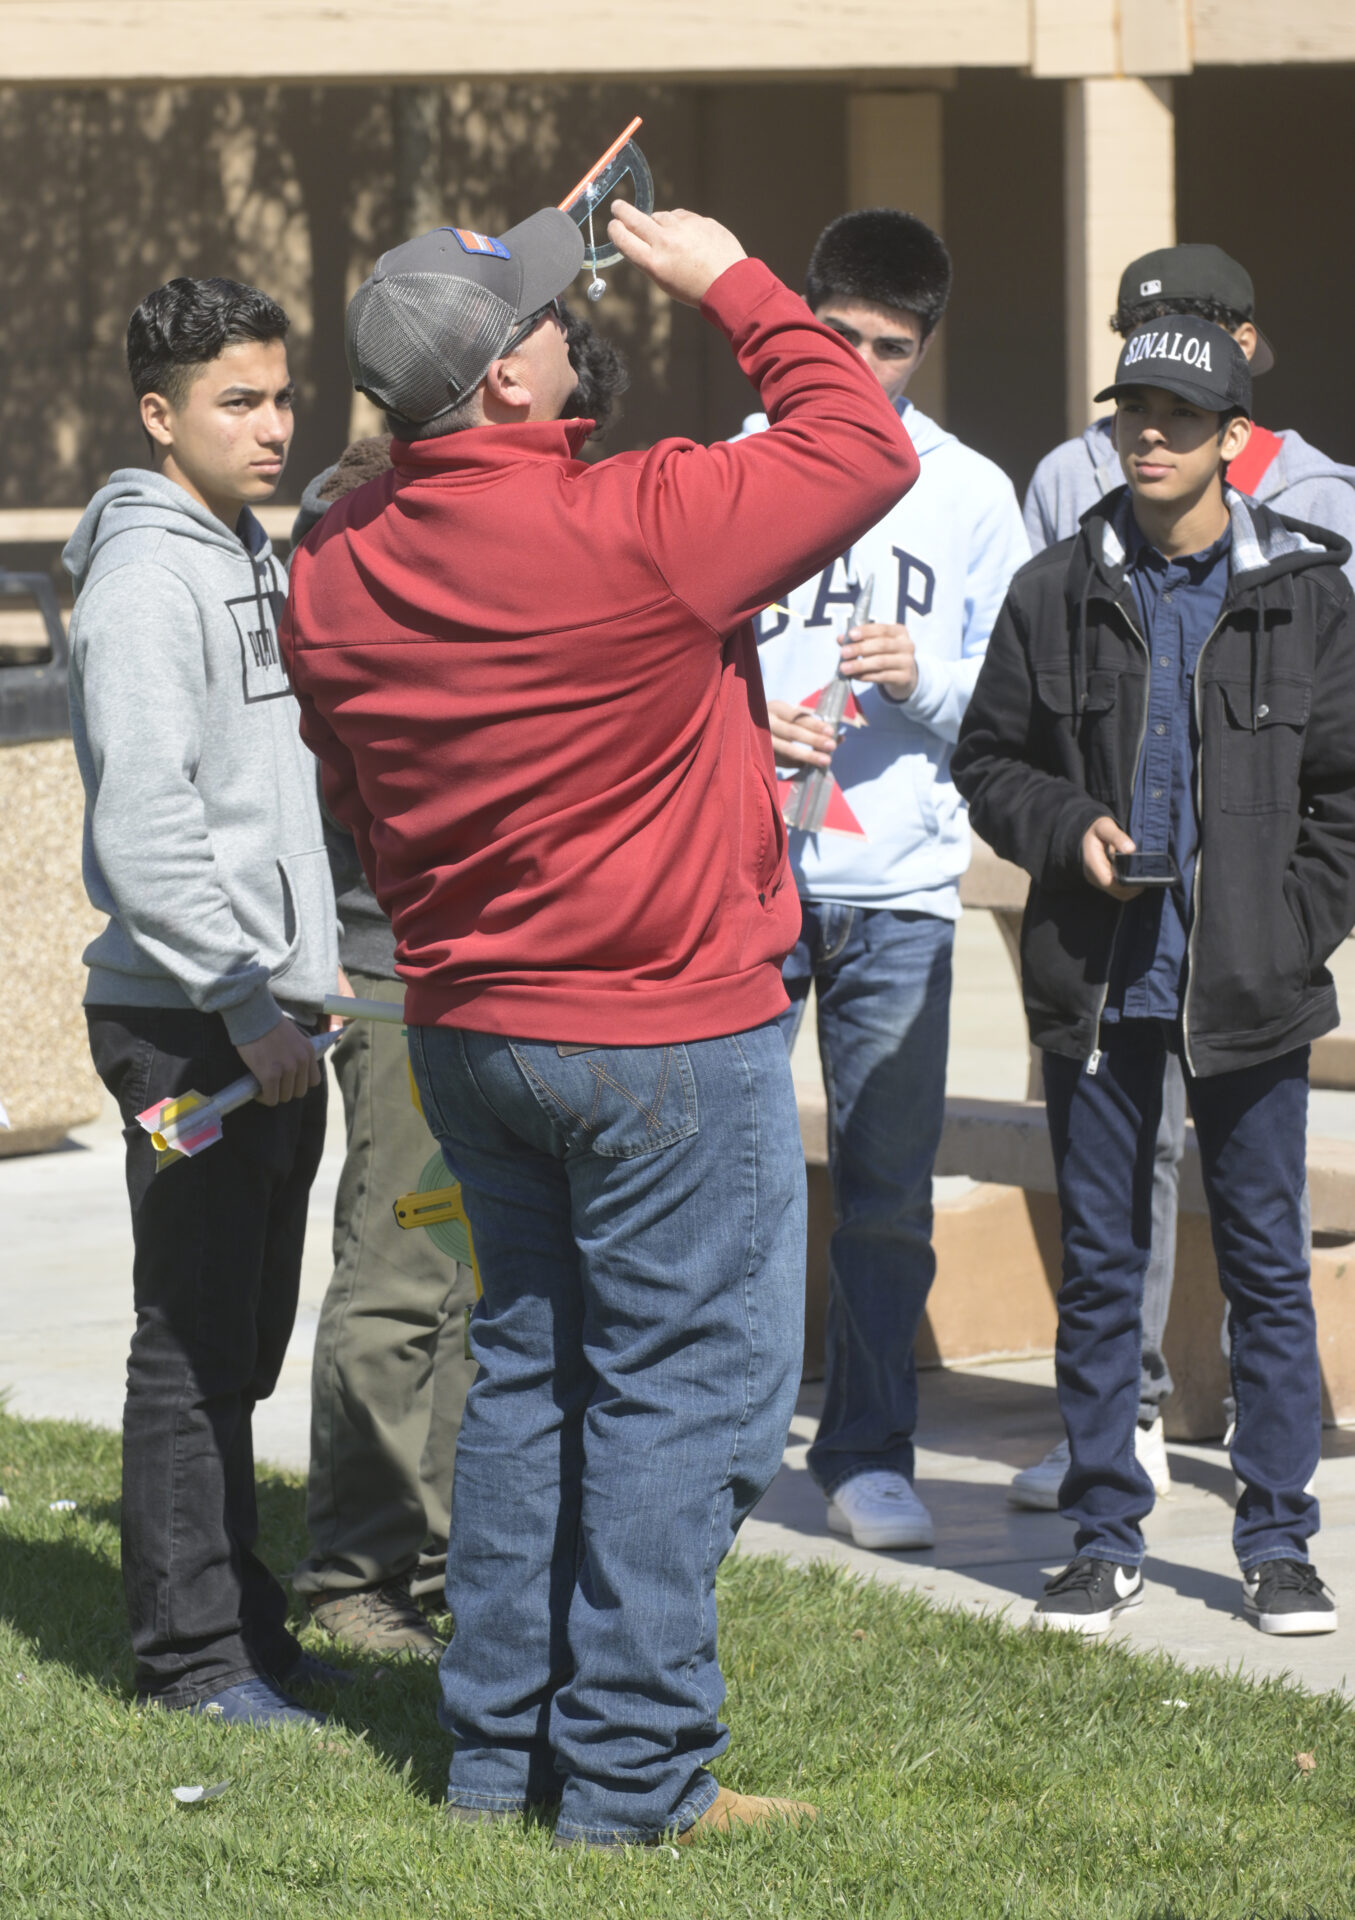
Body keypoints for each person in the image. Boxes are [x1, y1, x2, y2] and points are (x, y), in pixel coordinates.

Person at [281, 200, 918, 1844]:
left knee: (532, 1379)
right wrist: (736, 285)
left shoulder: (331, 563)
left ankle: (501, 1761)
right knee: (681, 1398)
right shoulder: (639, 518)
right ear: (506, 380)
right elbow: (862, 442)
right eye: (551, 317)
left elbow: (354, 798)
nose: (576, 327)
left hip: (472, 1028)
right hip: (660, 1034)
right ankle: (633, 1781)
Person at [953, 316, 1352, 1635]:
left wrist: (1284, 930)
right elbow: (988, 761)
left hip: (1250, 994)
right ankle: (1100, 1534)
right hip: (1099, 985)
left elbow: (1342, 799)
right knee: (1101, 1268)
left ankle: (1276, 1541)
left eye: (1177, 415)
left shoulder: (1305, 594)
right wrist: (1066, 826)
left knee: (1263, 1268)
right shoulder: (1052, 587)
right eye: (1130, 409)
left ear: (1233, 438)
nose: (1146, 433)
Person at [64, 277, 342, 1725]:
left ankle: (242, 1627)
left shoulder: (247, 552)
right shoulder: (143, 581)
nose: (273, 425)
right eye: (239, 402)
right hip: (190, 1027)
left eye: (283, 396)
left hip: (271, 1016)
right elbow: (147, 831)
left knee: (240, 1335)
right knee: (187, 1337)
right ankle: (191, 1662)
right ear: (160, 416)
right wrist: (243, 1002)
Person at [745, 209, 1028, 1550]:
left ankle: (865, 1452)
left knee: (883, 1193)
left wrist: (925, 679)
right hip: (745, 879)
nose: (859, 367)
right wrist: (743, 725)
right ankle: (720, 1443)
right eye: (837, 338)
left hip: (899, 888)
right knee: (727, 1182)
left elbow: (1017, 709)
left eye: (890, 347)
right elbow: (664, 666)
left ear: (925, 348)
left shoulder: (971, 493)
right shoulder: (734, 464)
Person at [286, 436, 467, 1661]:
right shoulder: (338, 581)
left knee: (475, 1280)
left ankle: (449, 1556)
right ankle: (354, 1574)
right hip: (389, 983)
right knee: (400, 1276)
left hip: (484, 979)